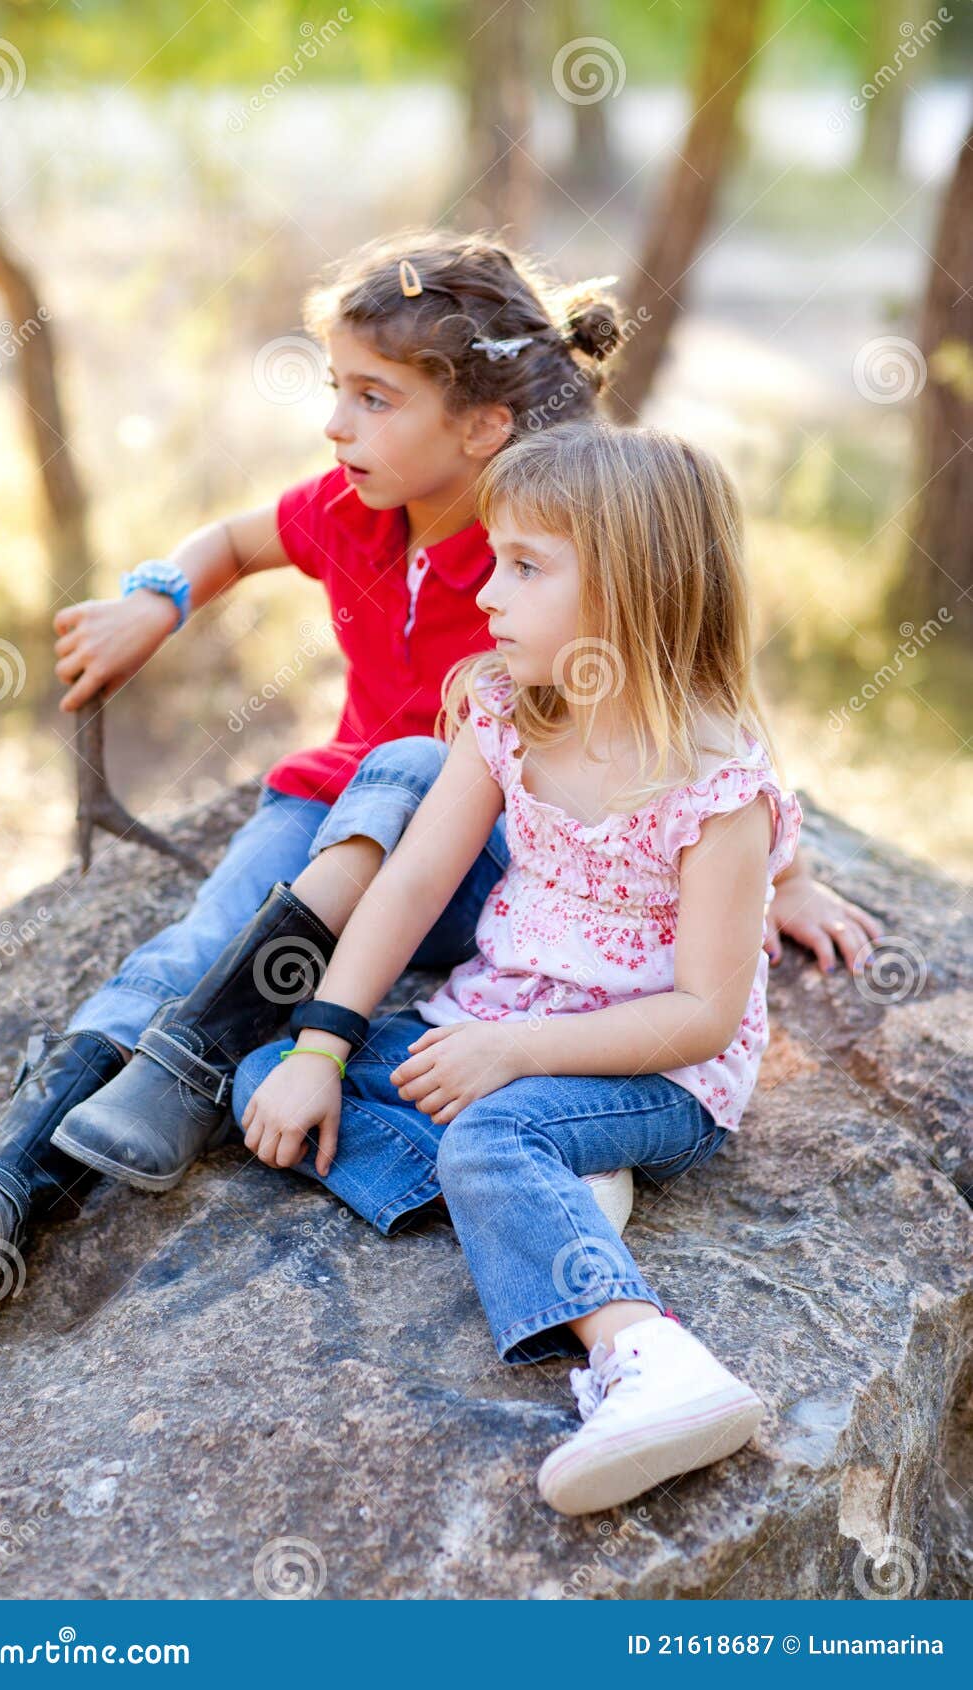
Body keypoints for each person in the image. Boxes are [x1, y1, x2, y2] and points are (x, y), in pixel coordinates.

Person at [0, 230, 878, 1329]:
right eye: (336, 391)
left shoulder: (552, 546)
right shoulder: (346, 510)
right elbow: (227, 540)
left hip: (472, 858)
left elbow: (686, 692)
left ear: (481, 425)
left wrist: (780, 872)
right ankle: (9, 1178)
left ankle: (511, 1166)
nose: (335, 425)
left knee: (409, 762)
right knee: (197, 950)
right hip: (335, 828)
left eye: (373, 398)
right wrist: (155, 599)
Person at [233, 421, 803, 1516]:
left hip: (652, 1074)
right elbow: (406, 886)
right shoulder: (505, 715)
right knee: (263, 1080)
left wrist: (511, 1055)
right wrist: (320, 1042)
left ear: (636, 587)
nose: (485, 592)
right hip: (497, 1018)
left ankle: (644, 1354)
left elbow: (701, 1013)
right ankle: (545, 1202)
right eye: (493, 557)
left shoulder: (713, 791)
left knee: (496, 1128)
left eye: (525, 567)